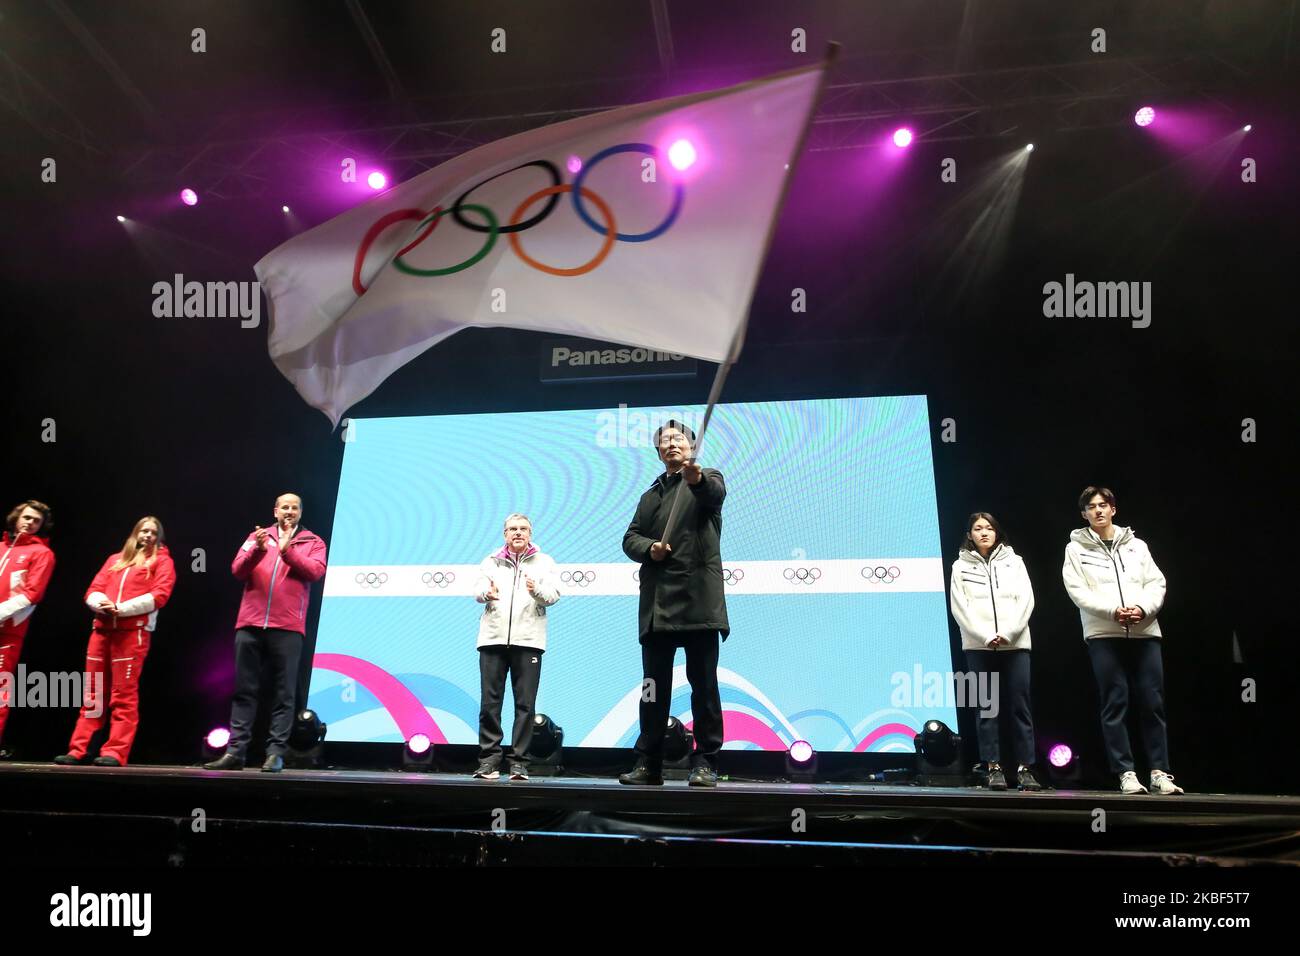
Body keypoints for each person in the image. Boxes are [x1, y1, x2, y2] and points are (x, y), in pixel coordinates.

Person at [619, 420, 728, 788]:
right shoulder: (650, 495)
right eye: (663, 441)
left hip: (699, 603)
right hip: (657, 607)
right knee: (652, 688)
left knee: (704, 685)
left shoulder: (706, 478)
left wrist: (695, 479)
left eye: (677, 439)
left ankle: (706, 762)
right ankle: (649, 762)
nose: (670, 444)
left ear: (692, 447)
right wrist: (650, 548)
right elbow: (630, 537)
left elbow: (713, 494)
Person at [1063, 486, 1182, 795]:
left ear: (1113, 509)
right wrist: (1113, 611)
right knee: (1115, 701)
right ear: (1084, 514)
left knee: (1152, 702)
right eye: (1092, 507)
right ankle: (1126, 772)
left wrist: (1141, 609)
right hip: (1104, 633)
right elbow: (1077, 590)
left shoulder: (1137, 546)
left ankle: (1160, 771)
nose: (1098, 510)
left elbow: (1156, 583)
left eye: (1104, 505)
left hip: (1144, 631)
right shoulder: (1075, 550)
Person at [204, 493, 327, 773]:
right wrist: (258, 550)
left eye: (294, 507)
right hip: (250, 623)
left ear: (300, 513)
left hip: (287, 627)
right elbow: (237, 569)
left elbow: (314, 572)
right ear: (275, 511)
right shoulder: (257, 537)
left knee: (284, 694)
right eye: (285, 507)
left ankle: (274, 754)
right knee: (244, 691)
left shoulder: (312, 542)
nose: (289, 511)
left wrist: (287, 550)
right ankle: (236, 751)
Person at [55, 517, 176, 767]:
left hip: (132, 633)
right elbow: (93, 590)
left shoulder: (162, 562)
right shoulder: (115, 560)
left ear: (159, 537)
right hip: (101, 631)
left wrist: (119, 609)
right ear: (135, 533)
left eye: (154, 533)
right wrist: (102, 605)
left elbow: (159, 596)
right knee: (93, 693)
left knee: (123, 695)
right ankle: (80, 749)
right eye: (144, 531)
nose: (148, 536)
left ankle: (115, 752)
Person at [949, 512, 1042, 791]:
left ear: (997, 532)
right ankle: (993, 767)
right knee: (985, 707)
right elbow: (960, 608)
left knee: (1020, 706)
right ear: (970, 535)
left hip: (1015, 644)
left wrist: (1008, 633)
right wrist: (986, 635)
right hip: (979, 646)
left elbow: (1026, 600)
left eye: (989, 527)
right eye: (977, 528)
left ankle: (1025, 768)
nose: (984, 532)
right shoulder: (960, 566)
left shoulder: (1015, 562)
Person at [471, 513, 559, 781]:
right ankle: (488, 761)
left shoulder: (545, 563)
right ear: (505, 534)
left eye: (523, 529)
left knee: (525, 706)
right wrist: (486, 593)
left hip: (529, 641)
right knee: (490, 704)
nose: (518, 533)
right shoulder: (490, 562)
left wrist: (536, 592)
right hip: (492, 639)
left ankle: (519, 763)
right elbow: (477, 591)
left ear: (530, 533)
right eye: (512, 529)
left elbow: (553, 596)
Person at [0, 500, 57, 758]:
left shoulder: (42, 553)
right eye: (27, 517)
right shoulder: (0, 547)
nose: (30, 523)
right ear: (16, 518)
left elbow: (32, 593)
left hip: (9, 628)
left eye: (36, 520)